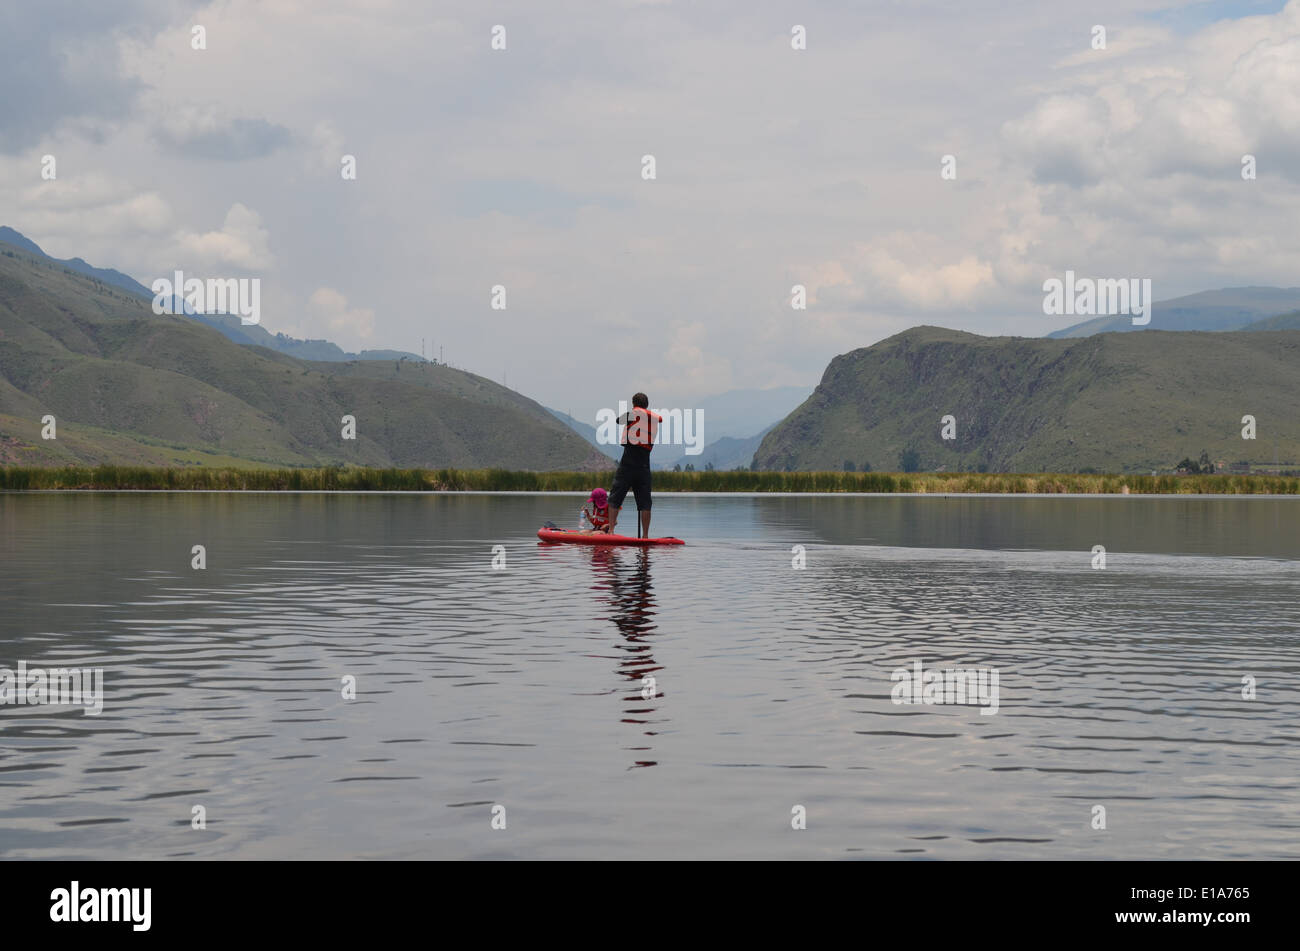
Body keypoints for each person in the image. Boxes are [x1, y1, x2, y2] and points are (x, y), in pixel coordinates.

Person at [607, 393, 662, 538]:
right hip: (644, 465)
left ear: (634, 404)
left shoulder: (631, 414)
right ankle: (645, 536)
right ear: (647, 405)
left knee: (615, 497)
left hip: (628, 463)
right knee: (645, 502)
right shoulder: (654, 419)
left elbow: (618, 421)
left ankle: (611, 531)